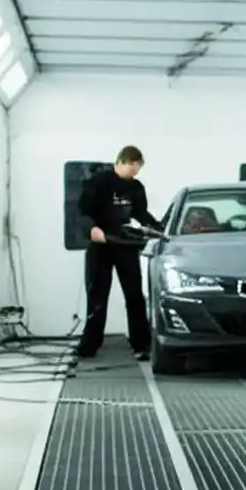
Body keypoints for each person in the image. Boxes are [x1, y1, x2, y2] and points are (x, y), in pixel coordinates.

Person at [76, 146, 163, 360]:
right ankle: (90, 343)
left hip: (125, 244)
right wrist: (91, 229)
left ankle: (141, 344)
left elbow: (140, 213)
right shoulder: (99, 182)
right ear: (128, 162)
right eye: (136, 167)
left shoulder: (136, 188)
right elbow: (81, 210)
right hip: (101, 244)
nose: (137, 172)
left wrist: (157, 228)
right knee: (97, 294)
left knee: (134, 295)